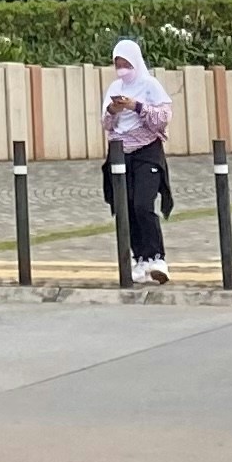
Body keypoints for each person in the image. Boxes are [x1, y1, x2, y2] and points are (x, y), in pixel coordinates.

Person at [101, 36, 173, 282]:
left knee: (143, 203)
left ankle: (157, 257)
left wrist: (137, 107)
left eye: (125, 62)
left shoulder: (150, 84)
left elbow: (163, 117)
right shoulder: (114, 88)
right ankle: (139, 257)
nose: (121, 67)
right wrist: (114, 109)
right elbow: (106, 123)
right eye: (117, 62)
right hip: (120, 153)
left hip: (147, 150)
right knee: (126, 207)